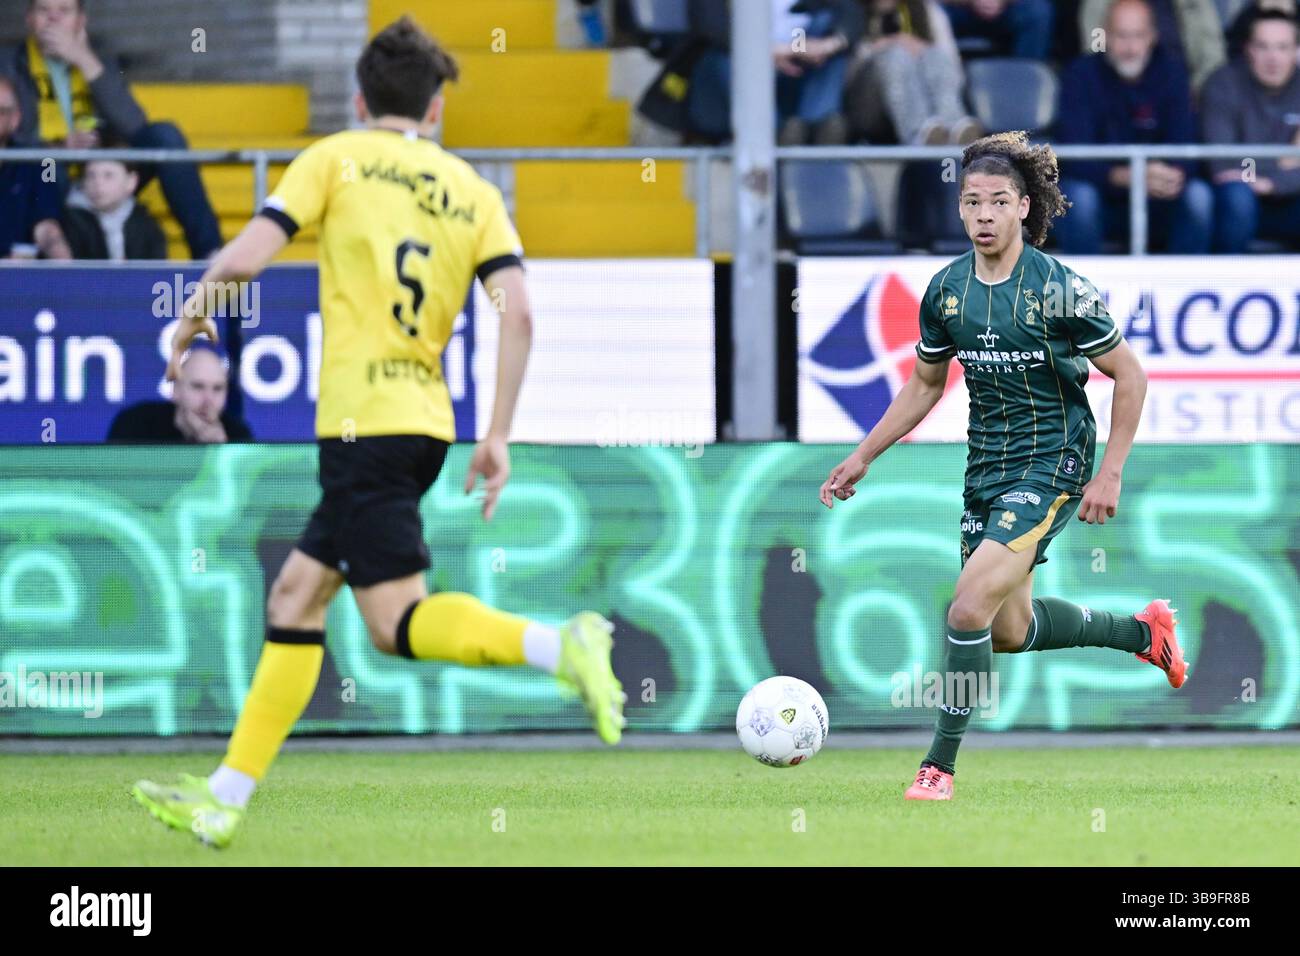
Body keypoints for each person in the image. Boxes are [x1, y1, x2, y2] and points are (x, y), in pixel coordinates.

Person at [131, 17, 626, 848]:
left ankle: (559, 644)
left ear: (361, 100)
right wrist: (497, 432)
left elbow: (245, 258)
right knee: (297, 593)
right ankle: (223, 797)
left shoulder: (335, 157)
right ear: (434, 110)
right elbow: (521, 315)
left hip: (363, 428)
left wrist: (191, 313)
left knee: (396, 625)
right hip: (425, 426)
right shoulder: (473, 190)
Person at [819, 131, 1187, 801]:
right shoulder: (947, 292)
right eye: (970, 203)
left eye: (995, 202)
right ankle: (1144, 632)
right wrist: (862, 455)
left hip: (1054, 462)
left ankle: (938, 766)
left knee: (965, 611)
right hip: (986, 469)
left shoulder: (1057, 289)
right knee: (1009, 631)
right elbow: (926, 385)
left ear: (1023, 207)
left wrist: (1111, 472)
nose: (982, 215)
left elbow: (1128, 376)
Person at [0, 0, 222, 258]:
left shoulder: (98, 58)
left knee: (165, 136)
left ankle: (210, 253)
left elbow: (134, 124)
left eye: (64, 11)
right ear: (29, 19)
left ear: (81, 21)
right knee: (44, 172)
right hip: (44, 172)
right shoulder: (9, 64)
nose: (54, 19)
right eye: (44, 11)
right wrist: (60, 147)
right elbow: (8, 132)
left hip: (100, 168)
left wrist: (84, 59)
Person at [1055, 0, 1213, 253]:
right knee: (1078, 198)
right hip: (1103, 198)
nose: (1130, 47)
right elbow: (1073, 157)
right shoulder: (1080, 74)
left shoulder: (1173, 73)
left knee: (1198, 196)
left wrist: (1172, 174)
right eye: (1121, 36)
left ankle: (1183, 287)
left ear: (1152, 37)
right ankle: (1082, 290)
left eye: (1138, 36)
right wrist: (1129, 176)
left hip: (1158, 196)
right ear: (1104, 36)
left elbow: (1186, 145)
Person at [1203, 10, 1300, 251]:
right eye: (1263, 46)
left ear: (1296, 51)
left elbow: (1238, 165)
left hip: (1291, 202)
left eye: (1282, 47)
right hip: (1236, 203)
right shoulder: (1222, 83)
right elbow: (1222, 165)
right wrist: (1284, 162)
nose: (1273, 58)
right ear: (1249, 49)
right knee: (1237, 196)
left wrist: (1271, 182)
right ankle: (1227, 281)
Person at [845, 0, 981, 146]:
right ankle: (917, 134)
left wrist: (921, 50)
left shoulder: (928, 10)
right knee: (896, 55)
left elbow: (952, 62)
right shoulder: (853, 10)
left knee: (935, 54)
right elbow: (849, 72)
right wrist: (890, 43)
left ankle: (953, 127)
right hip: (869, 108)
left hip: (927, 100)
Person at [107, 343, 250, 443]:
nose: (208, 400)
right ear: (176, 390)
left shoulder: (237, 437)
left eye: (217, 389)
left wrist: (222, 452)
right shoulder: (136, 425)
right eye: (198, 387)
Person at [1077, 0, 1225, 94]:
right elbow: (1095, 46)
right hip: (1114, 85)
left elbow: (1211, 46)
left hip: (1182, 87)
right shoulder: (1097, 4)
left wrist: (1200, 89)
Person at [0, 74, 71, 259]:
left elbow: (47, 228)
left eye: (0, 111)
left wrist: (67, 272)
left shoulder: (44, 162)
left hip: (19, 278)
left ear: (15, 119)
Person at [62, 151, 167, 260]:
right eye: (90, 175)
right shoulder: (71, 222)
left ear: (131, 181)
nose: (98, 183)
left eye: (108, 176)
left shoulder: (146, 225)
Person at [941, 0, 1056, 60]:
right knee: (931, 15)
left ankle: (1024, 86)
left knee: (1037, 12)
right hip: (957, 9)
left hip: (1009, 9)